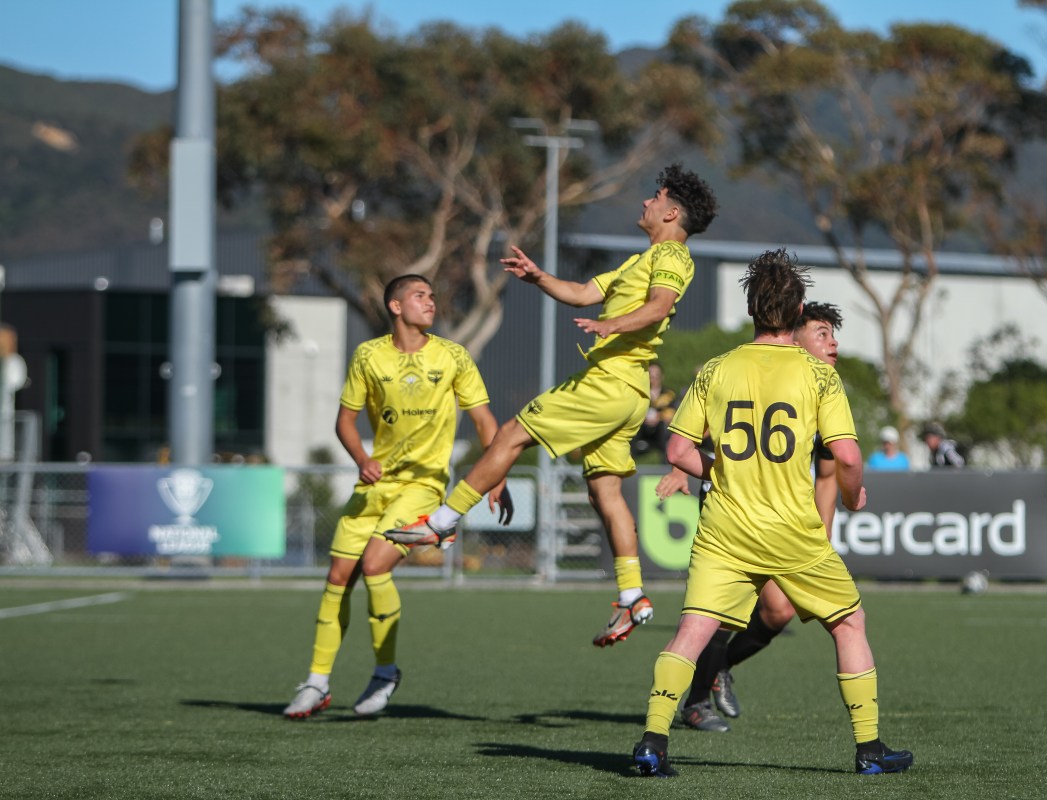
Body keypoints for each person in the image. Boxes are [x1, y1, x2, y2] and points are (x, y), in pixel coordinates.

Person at [393, 164, 719, 647]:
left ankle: (441, 523)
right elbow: (583, 293)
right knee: (604, 492)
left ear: (672, 212)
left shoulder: (671, 254)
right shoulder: (643, 258)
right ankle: (632, 595)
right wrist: (540, 277)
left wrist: (613, 325)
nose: (645, 202)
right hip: (628, 391)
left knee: (510, 434)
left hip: (609, 382)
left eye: (655, 197)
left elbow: (658, 305)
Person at [631, 250, 912, 778]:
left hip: (725, 531)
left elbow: (677, 451)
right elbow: (848, 457)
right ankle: (870, 750)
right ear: (798, 309)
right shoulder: (818, 376)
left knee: (692, 631)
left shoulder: (717, 369)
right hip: (791, 530)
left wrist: (718, 470)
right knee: (849, 623)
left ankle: (652, 743)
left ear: (751, 310)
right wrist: (853, 496)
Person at [283, 274, 513, 719]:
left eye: (432, 295)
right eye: (420, 295)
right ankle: (317, 682)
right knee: (338, 578)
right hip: (374, 485)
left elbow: (485, 421)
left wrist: (495, 474)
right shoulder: (368, 355)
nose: (431, 302)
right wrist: (361, 459)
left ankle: (385, 672)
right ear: (395, 305)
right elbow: (345, 421)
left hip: (423, 485)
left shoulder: (452, 356)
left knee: (374, 565)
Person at [673, 300, 847, 732]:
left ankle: (717, 669)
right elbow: (695, 433)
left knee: (778, 613)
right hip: (733, 505)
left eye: (833, 335)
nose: (833, 344)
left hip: (779, 517)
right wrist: (680, 469)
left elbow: (828, 477)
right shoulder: (753, 371)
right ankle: (695, 704)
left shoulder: (822, 385)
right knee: (722, 607)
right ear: (794, 333)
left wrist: (821, 539)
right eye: (822, 333)